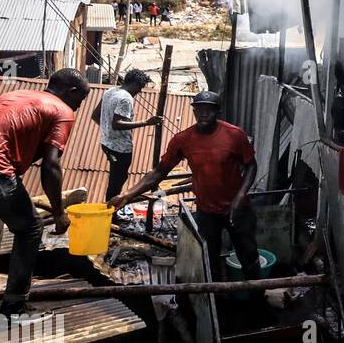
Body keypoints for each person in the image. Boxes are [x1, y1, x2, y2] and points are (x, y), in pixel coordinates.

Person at [0, 69, 89, 315]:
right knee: (30, 228)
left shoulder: (15, 94)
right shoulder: (63, 111)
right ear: (71, 92)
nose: (79, 107)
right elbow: (51, 166)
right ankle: (14, 304)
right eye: (80, 101)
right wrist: (59, 212)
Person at [110, 91, 259, 284]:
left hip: (238, 209)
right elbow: (158, 173)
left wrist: (240, 197)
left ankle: (257, 299)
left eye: (209, 109)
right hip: (207, 212)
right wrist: (127, 195)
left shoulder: (234, 135)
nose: (204, 114)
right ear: (194, 111)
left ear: (218, 111)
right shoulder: (182, 140)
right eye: (199, 109)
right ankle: (216, 302)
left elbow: (251, 165)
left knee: (248, 255)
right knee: (208, 260)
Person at [91, 69, 161, 212]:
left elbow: (95, 115)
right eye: (140, 88)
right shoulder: (125, 99)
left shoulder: (110, 91)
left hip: (106, 143)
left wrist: (106, 130)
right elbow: (117, 124)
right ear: (135, 84)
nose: (139, 92)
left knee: (118, 177)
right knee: (117, 181)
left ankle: (112, 208)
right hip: (120, 148)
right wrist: (146, 123)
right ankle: (111, 212)